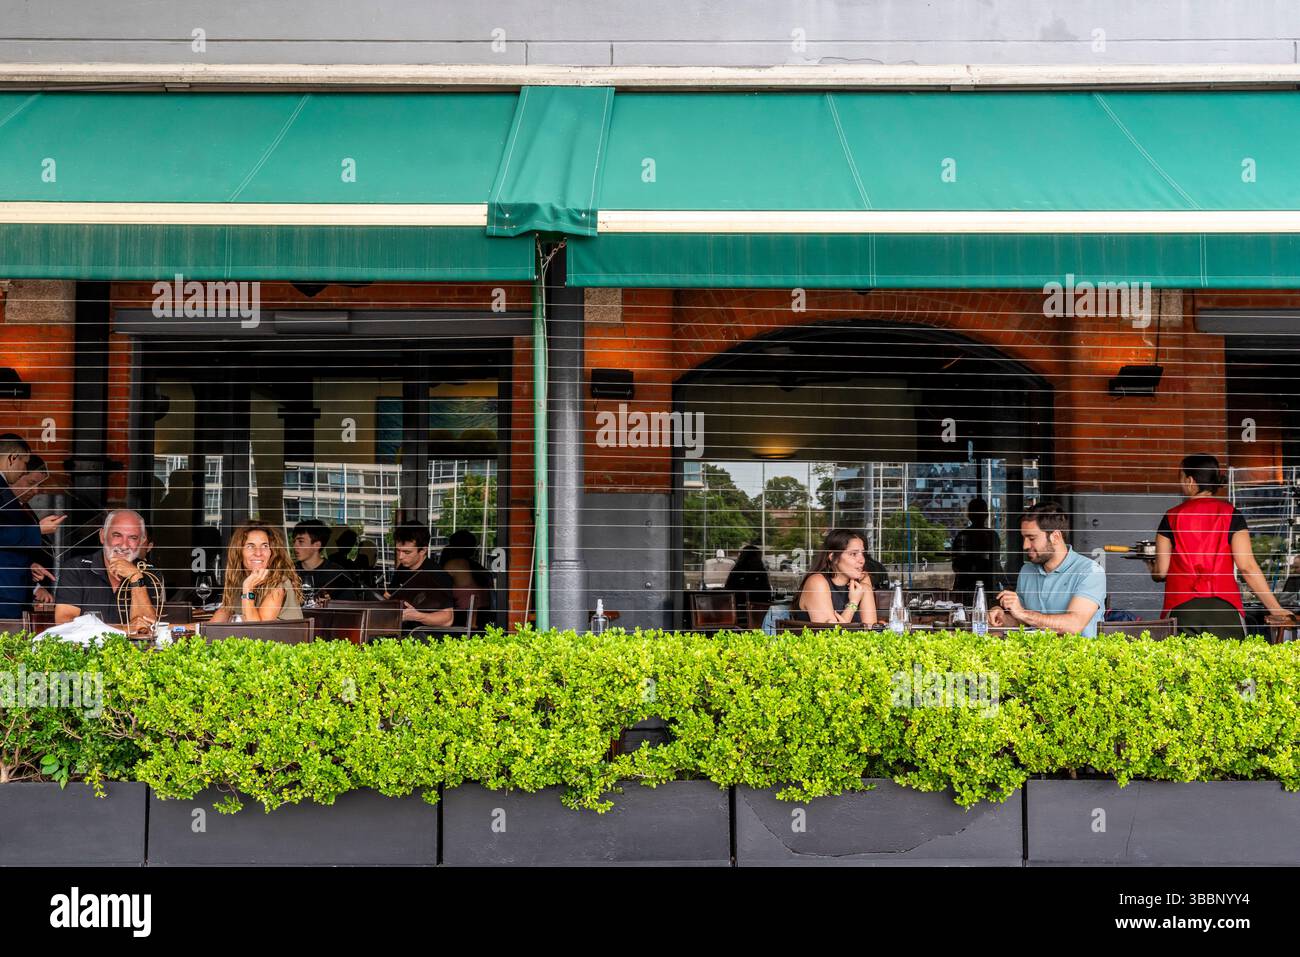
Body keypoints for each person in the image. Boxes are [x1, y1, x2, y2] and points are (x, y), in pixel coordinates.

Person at [1148, 454, 1293, 639]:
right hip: (1225, 607)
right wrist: (1275, 609)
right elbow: (1247, 567)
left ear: (1190, 481)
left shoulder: (1171, 517)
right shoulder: (1231, 514)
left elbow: (1161, 571)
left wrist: (1151, 567)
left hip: (1182, 608)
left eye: (1181, 478)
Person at [988, 501, 1106, 637]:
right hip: (1032, 654)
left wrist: (1022, 613)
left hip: (1078, 656)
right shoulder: (1027, 571)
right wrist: (1003, 618)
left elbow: (1074, 625)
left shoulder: (1090, 572)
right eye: (1024, 538)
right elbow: (1023, 623)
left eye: (1031, 538)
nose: (1025, 545)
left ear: (1055, 536)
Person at [54, 509, 161, 632]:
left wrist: (136, 577)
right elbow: (64, 623)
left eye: (133, 537)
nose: (124, 545)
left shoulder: (149, 573)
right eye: (117, 535)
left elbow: (147, 628)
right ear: (102, 536)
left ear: (142, 542)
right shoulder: (76, 568)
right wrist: (123, 629)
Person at [0, 435, 66, 618]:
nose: (23, 470)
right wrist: (36, 531)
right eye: (24, 463)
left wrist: (27, 567)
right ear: (12, 458)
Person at [209, 521, 304, 623]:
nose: (258, 553)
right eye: (250, 546)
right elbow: (212, 625)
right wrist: (189, 628)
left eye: (264, 546)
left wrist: (247, 589)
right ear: (239, 552)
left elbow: (256, 630)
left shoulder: (278, 584)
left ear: (272, 551)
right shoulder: (239, 582)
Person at [789, 528, 879, 626]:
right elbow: (830, 636)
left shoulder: (863, 581)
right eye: (853, 554)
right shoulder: (817, 582)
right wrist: (853, 602)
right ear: (832, 557)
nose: (862, 560)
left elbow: (871, 632)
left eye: (863, 553)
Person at [384, 522, 455, 633]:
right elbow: (389, 595)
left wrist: (417, 616)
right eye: (398, 551)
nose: (401, 557)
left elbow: (447, 619)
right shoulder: (403, 568)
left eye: (407, 552)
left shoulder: (437, 575)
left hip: (426, 637)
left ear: (423, 550)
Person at [11, 455, 55, 606]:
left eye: (40, 485)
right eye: (31, 483)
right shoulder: (7, 510)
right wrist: (34, 588)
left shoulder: (23, 507)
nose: (35, 490)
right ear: (15, 475)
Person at [950, 497, 1004, 604]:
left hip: (966, 588)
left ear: (969, 515)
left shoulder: (963, 536)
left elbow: (956, 566)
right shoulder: (992, 536)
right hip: (986, 587)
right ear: (986, 515)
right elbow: (996, 565)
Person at [438, 528, 494, 628]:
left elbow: (437, 590)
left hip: (464, 619)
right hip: (484, 618)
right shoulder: (480, 569)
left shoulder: (453, 565)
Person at [291, 519, 355, 601]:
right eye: (294, 541)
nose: (295, 546)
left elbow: (350, 608)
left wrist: (331, 604)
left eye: (301, 541)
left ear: (316, 545)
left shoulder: (337, 575)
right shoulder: (288, 572)